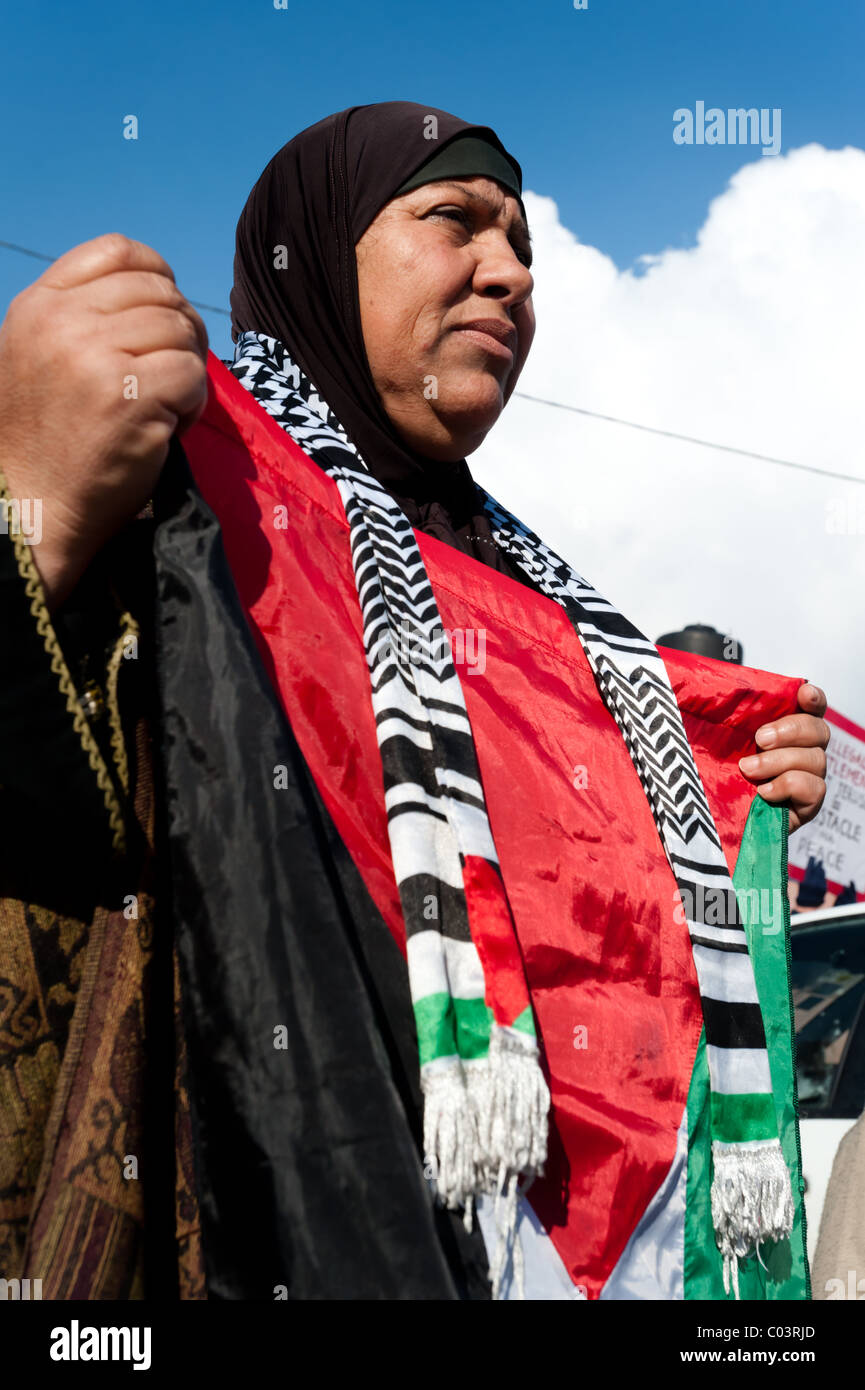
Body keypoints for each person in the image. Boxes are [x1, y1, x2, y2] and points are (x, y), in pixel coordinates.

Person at [0, 101, 830, 1301]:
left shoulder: (552, 622)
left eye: (527, 250)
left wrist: (716, 794)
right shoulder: (174, 486)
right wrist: (35, 504)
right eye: (458, 221)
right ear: (319, 260)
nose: (510, 275)